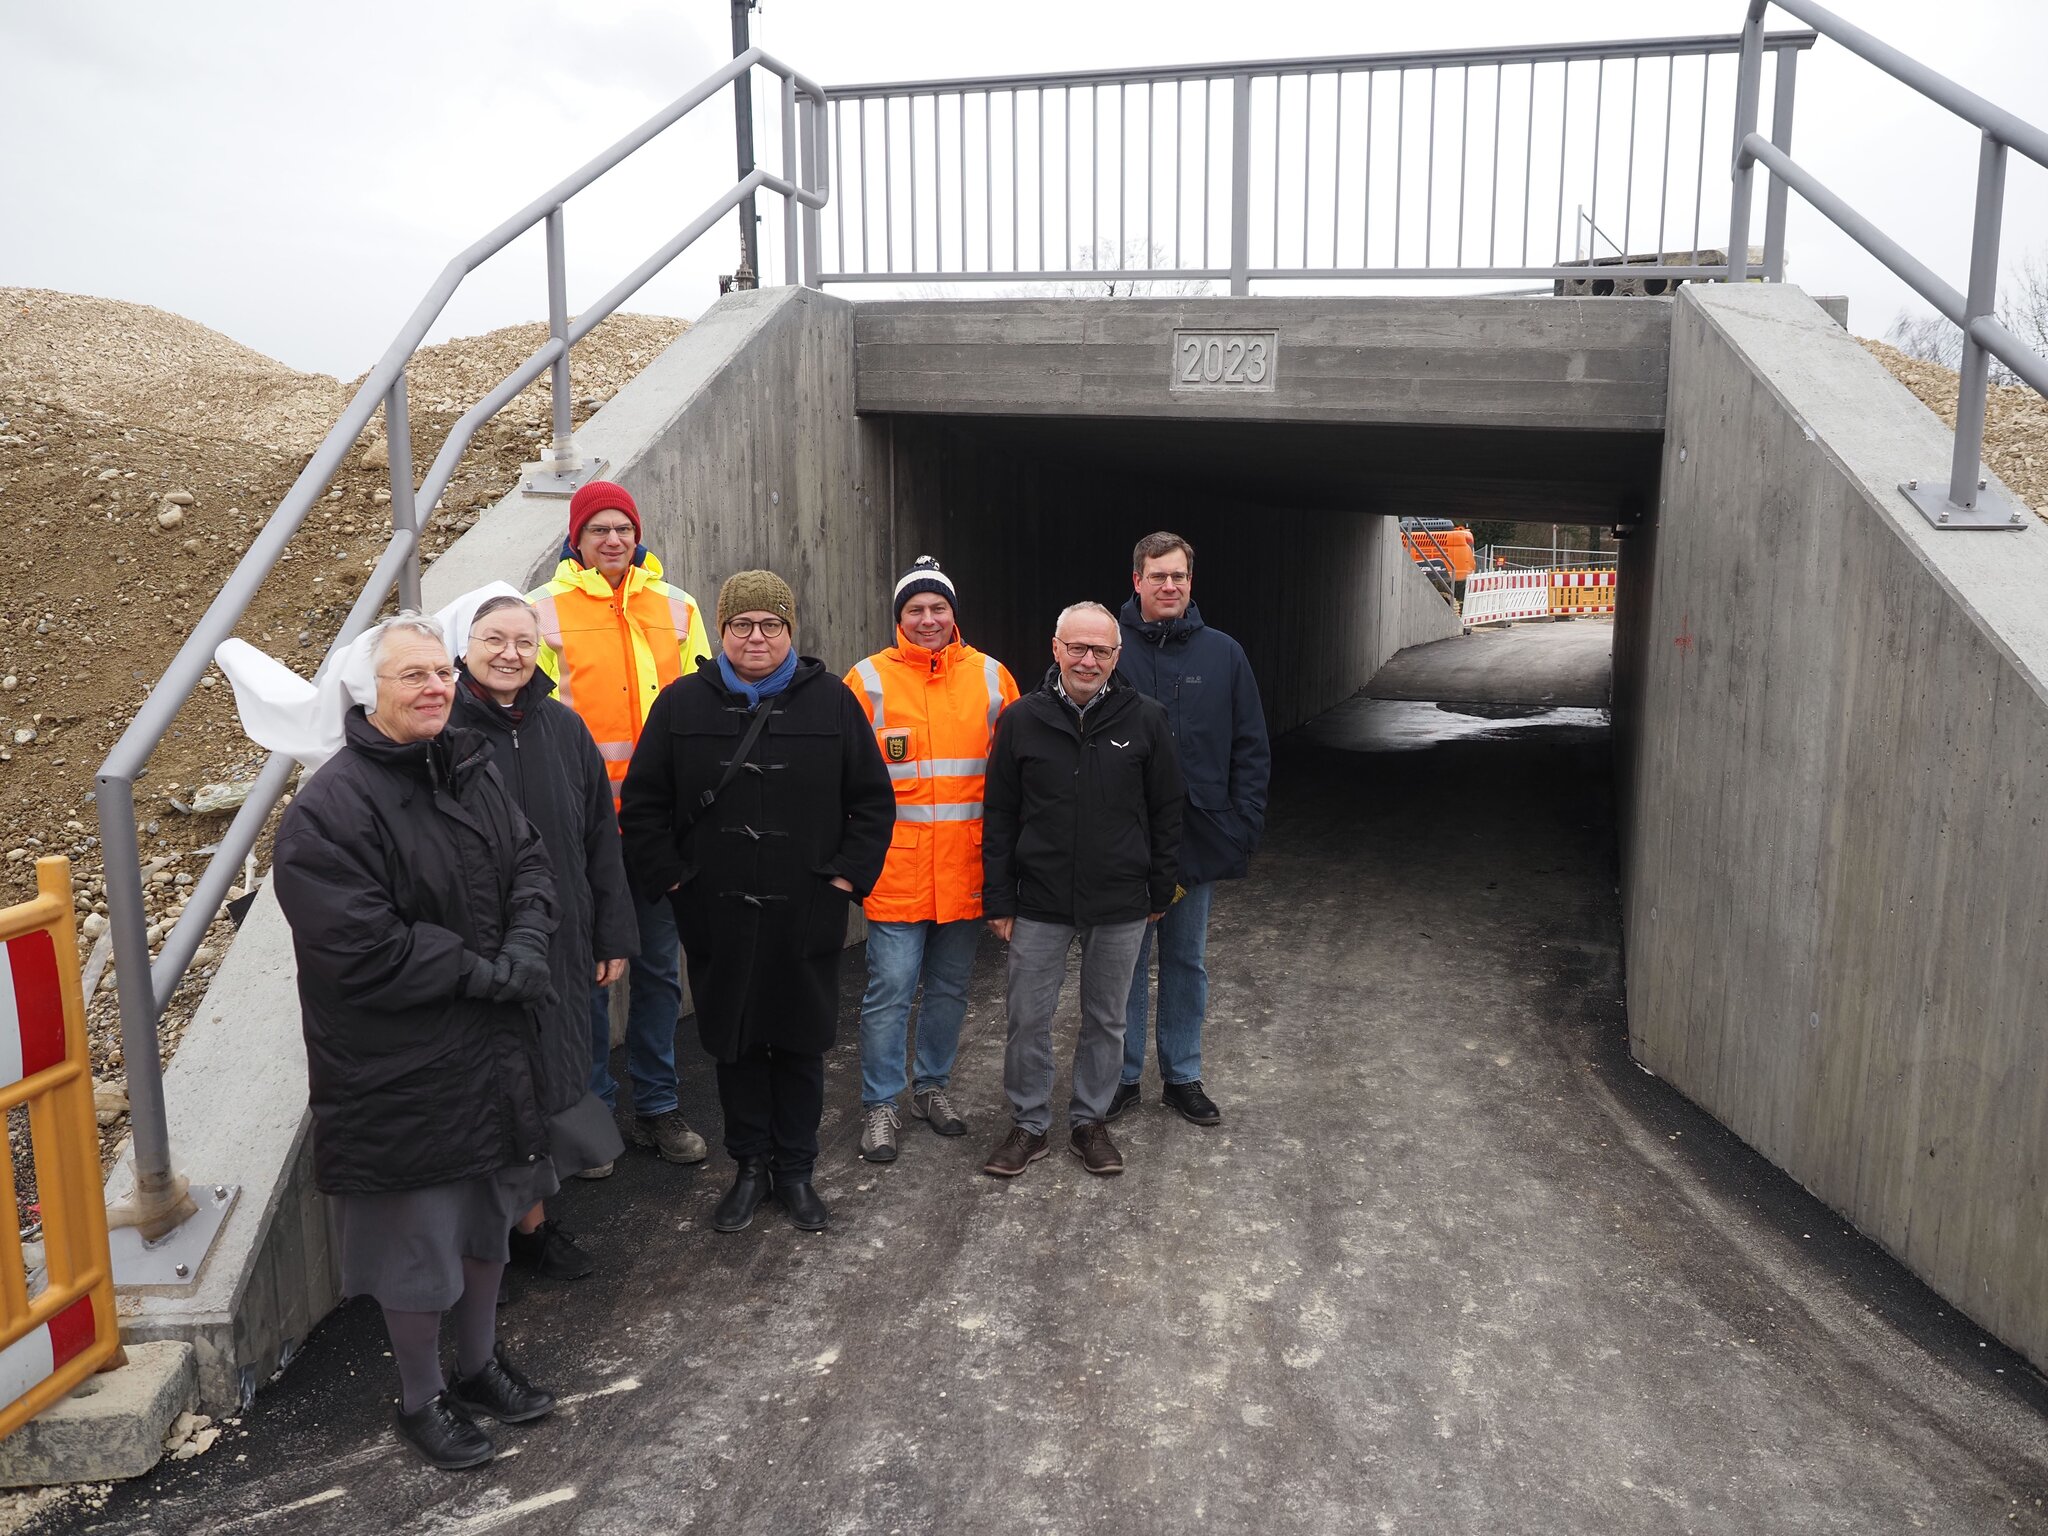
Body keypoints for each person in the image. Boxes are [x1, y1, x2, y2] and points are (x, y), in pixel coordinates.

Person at [270, 614, 558, 1471]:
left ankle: (478, 1367)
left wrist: (527, 944)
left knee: (489, 1217)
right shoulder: (329, 809)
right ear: (369, 693)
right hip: (402, 1069)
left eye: (441, 672)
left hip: (490, 1050)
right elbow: (360, 947)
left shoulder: (467, 766)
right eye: (413, 676)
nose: (436, 687)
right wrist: (484, 972)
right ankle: (421, 1396)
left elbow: (529, 862)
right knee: (418, 1244)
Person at [619, 571, 894, 1233]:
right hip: (717, 913)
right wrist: (677, 881)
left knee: (800, 1046)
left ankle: (796, 1171)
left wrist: (843, 881)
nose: (756, 637)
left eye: (771, 624)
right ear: (722, 631)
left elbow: (871, 802)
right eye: (741, 624)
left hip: (806, 913)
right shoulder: (681, 704)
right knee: (735, 1047)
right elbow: (645, 804)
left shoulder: (832, 701)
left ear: (790, 631)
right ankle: (748, 1168)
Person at [447, 590, 637, 1279]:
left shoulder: (564, 728)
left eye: (524, 642)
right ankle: (483, 1248)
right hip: (478, 954)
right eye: (494, 640)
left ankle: (533, 1228)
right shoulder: (441, 731)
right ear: (465, 647)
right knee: (485, 1097)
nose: (510, 654)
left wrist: (610, 934)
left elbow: (599, 839)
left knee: (548, 1085)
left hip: (559, 943)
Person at [529, 480, 713, 1169]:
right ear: (576, 539)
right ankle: (597, 1120)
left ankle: (658, 1108)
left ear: (638, 536)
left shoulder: (677, 605)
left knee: (659, 971)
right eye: (598, 529)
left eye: (622, 528)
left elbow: (701, 709)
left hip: (657, 830)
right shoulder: (540, 611)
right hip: (581, 833)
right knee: (585, 976)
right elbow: (533, 723)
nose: (612, 539)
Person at [980, 601, 1183, 1180]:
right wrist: (999, 897)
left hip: (1119, 899)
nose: (1088, 660)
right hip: (1039, 898)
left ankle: (1090, 1122)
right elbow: (999, 814)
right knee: (1027, 1016)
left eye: (1100, 650)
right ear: (1056, 649)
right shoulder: (1021, 719)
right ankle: (1029, 1125)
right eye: (1077, 648)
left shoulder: (1146, 719)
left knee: (1107, 1019)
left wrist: (1159, 890)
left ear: (1117, 656)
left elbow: (1167, 810)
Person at [846, 557, 1019, 1163]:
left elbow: (1014, 779)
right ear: (899, 617)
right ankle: (881, 1103)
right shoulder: (867, 680)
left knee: (949, 989)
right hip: (896, 873)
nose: (927, 620)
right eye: (915, 610)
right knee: (891, 990)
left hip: (965, 871)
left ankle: (932, 1088)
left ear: (953, 614)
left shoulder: (992, 678)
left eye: (937, 608)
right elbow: (844, 779)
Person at [1113, 532, 1270, 1128]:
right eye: (1157, 576)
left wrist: (1242, 825)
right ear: (1137, 580)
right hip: (1123, 840)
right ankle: (1121, 1076)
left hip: (1197, 838)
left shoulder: (1224, 654)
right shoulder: (1107, 648)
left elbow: (1250, 745)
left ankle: (1182, 1076)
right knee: (1123, 963)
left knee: (1186, 960)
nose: (1169, 586)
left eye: (1178, 576)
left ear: (1190, 581)